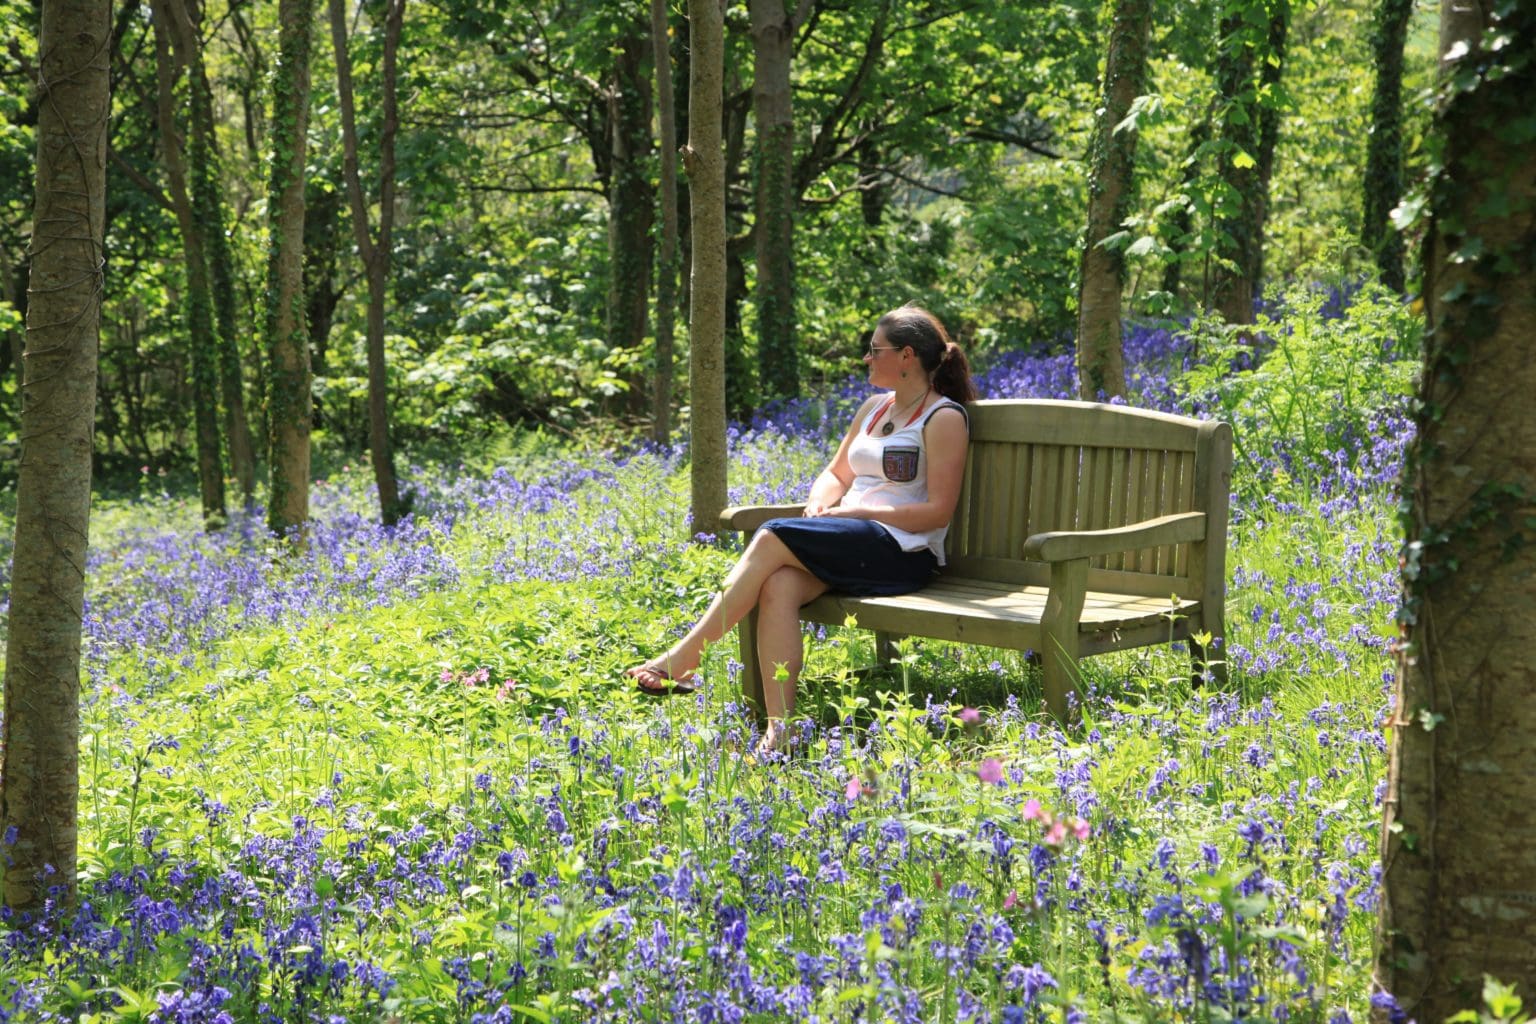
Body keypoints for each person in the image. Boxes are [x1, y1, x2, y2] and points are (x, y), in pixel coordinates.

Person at [626, 304, 976, 755]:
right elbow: (836, 473)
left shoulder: (943, 417)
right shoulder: (874, 409)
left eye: (875, 350)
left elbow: (936, 513)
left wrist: (854, 517)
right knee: (779, 584)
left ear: (907, 356)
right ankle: (782, 732)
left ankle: (686, 656)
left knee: (772, 533)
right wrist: (820, 501)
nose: (867, 359)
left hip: (903, 553)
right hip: (852, 540)